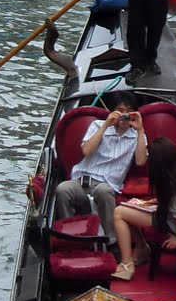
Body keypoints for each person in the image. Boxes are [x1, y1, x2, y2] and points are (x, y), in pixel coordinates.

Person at [54, 95, 147, 240]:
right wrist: (105, 126)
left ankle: (111, 240)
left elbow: (141, 161)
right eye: (120, 111)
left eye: (129, 112)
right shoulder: (97, 125)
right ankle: (69, 236)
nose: (124, 115)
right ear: (113, 112)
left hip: (106, 185)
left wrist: (140, 130)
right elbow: (86, 151)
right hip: (80, 179)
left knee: (103, 191)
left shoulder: (137, 135)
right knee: (62, 189)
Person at [111, 136, 176, 282]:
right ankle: (142, 248)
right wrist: (157, 201)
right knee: (128, 209)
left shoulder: (173, 183)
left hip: (173, 223)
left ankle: (127, 264)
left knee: (119, 213)